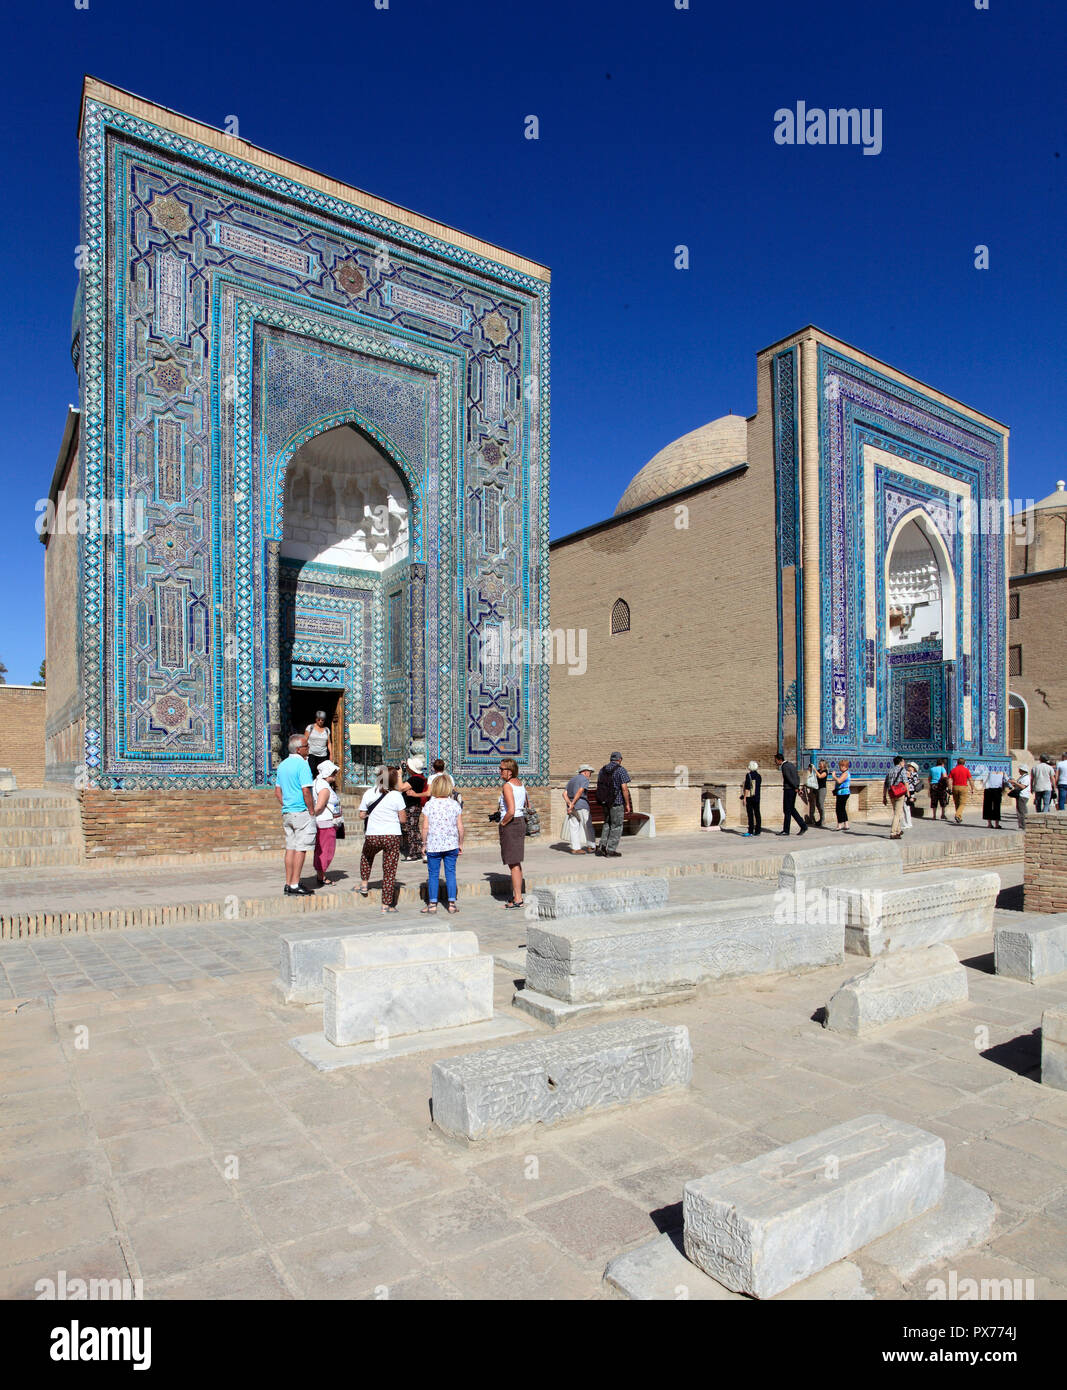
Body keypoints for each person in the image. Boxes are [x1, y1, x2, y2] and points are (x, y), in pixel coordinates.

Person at [356, 766, 407, 912]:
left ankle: (364, 884)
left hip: (373, 834)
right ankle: (386, 905)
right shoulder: (397, 795)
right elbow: (403, 819)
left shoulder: (369, 792)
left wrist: (371, 816)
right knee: (389, 870)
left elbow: (361, 814)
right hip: (391, 835)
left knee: (367, 856)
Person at [274, 732, 316, 895]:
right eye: (306, 746)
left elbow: (277, 791)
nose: (308, 749)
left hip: (288, 812)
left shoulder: (283, 765)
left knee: (290, 847)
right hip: (301, 811)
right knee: (301, 848)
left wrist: (287, 805)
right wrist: (311, 810)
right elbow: (306, 790)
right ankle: (295, 883)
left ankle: (288, 882)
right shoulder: (302, 765)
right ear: (299, 749)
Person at [420, 774, 464, 913]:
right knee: (450, 873)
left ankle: (432, 905)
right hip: (451, 845)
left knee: (433, 874)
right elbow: (460, 827)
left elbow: (425, 827)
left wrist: (424, 844)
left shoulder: (429, 804)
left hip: (434, 845)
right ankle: (452, 904)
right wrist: (460, 843)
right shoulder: (455, 804)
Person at [498, 757, 527, 908]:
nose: (500, 771)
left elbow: (511, 810)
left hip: (511, 823)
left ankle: (518, 898)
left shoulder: (508, 786)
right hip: (520, 821)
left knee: (513, 863)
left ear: (509, 771)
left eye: (502, 769)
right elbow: (525, 804)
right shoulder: (520, 784)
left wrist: (503, 823)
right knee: (515, 862)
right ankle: (517, 896)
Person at [595, 752, 632, 857]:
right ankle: (611, 849)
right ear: (620, 759)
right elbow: (624, 788)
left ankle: (602, 846)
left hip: (605, 801)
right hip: (617, 802)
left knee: (607, 823)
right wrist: (627, 803)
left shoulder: (602, 770)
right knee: (617, 825)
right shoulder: (621, 770)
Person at [312, 759, 342, 885]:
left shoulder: (317, 783)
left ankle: (321, 874)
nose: (335, 775)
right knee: (326, 850)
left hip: (325, 822)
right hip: (326, 823)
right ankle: (321, 876)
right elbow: (319, 807)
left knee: (322, 849)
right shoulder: (323, 787)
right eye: (334, 773)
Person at [400, 756, 429, 860]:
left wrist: (399, 774)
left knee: (411, 829)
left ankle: (413, 854)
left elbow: (401, 787)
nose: (407, 767)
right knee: (414, 828)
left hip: (412, 806)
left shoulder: (416, 778)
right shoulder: (419, 777)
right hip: (414, 806)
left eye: (408, 766)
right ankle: (419, 851)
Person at [563, 762, 596, 853]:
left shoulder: (572, 780)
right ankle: (591, 846)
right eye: (590, 772)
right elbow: (580, 791)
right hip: (581, 805)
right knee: (587, 825)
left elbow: (564, 794)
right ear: (585, 772)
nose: (590, 774)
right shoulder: (584, 779)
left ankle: (576, 848)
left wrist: (570, 804)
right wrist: (573, 803)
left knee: (574, 826)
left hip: (572, 807)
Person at [774, 752, 807, 836]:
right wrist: (797, 787)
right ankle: (803, 825)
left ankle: (786, 830)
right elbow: (797, 777)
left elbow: (788, 778)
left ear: (779, 760)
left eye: (776, 760)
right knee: (791, 809)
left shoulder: (784, 767)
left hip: (789, 789)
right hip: (793, 789)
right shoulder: (791, 765)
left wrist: (795, 787)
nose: (776, 762)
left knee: (787, 810)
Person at [883, 756, 908, 839]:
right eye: (903, 762)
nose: (904, 763)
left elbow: (885, 784)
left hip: (892, 793)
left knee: (897, 812)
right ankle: (893, 832)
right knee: (897, 814)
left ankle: (898, 830)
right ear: (900, 762)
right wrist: (908, 793)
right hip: (900, 793)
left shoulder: (890, 771)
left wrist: (884, 796)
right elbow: (905, 782)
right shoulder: (902, 770)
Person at [304, 711, 331, 779]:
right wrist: (304, 753)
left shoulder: (326, 730)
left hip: (323, 755)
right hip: (311, 754)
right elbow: (304, 740)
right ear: (316, 719)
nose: (320, 721)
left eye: (322, 720)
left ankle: (320, 787)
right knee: (311, 770)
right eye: (319, 719)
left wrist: (331, 754)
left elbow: (329, 743)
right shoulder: (310, 727)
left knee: (322, 772)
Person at [949, 758, 974, 825]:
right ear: (964, 763)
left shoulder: (953, 770)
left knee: (957, 803)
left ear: (957, 762)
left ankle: (959, 818)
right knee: (962, 803)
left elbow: (949, 780)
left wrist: (949, 788)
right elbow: (970, 779)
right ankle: (957, 815)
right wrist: (972, 788)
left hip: (955, 787)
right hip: (963, 787)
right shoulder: (966, 770)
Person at [742, 761, 762, 836]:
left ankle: (750, 831)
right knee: (757, 813)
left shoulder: (748, 775)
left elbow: (747, 788)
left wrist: (744, 798)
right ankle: (758, 831)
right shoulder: (759, 776)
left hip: (750, 798)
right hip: (757, 797)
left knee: (750, 814)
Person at [832, 759, 852, 831]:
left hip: (843, 793)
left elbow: (839, 781)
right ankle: (846, 824)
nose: (840, 768)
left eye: (841, 766)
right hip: (842, 793)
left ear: (845, 766)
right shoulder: (844, 773)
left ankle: (839, 824)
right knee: (842, 809)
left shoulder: (845, 773)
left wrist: (834, 776)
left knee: (839, 809)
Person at [1011, 765, 1032, 830]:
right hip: (1020, 795)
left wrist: (1015, 783)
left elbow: (1023, 786)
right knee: (1019, 811)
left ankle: (1023, 826)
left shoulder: (1026, 778)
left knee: (1022, 811)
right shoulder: (1022, 777)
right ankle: (1021, 825)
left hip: (1023, 795)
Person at [903, 761, 921, 830]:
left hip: (910, 792)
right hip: (906, 791)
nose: (908, 767)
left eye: (910, 766)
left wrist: (909, 777)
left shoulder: (915, 774)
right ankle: (907, 823)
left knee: (907, 807)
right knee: (905, 808)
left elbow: (915, 782)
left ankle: (909, 823)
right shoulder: (907, 773)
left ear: (913, 768)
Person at [813, 759, 829, 827]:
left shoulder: (825, 771)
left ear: (824, 765)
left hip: (822, 789)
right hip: (817, 788)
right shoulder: (819, 771)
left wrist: (814, 769)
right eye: (819, 764)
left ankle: (823, 819)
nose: (819, 765)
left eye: (820, 764)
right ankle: (820, 818)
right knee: (817, 804)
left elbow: (820, 776)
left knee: (820, 803)